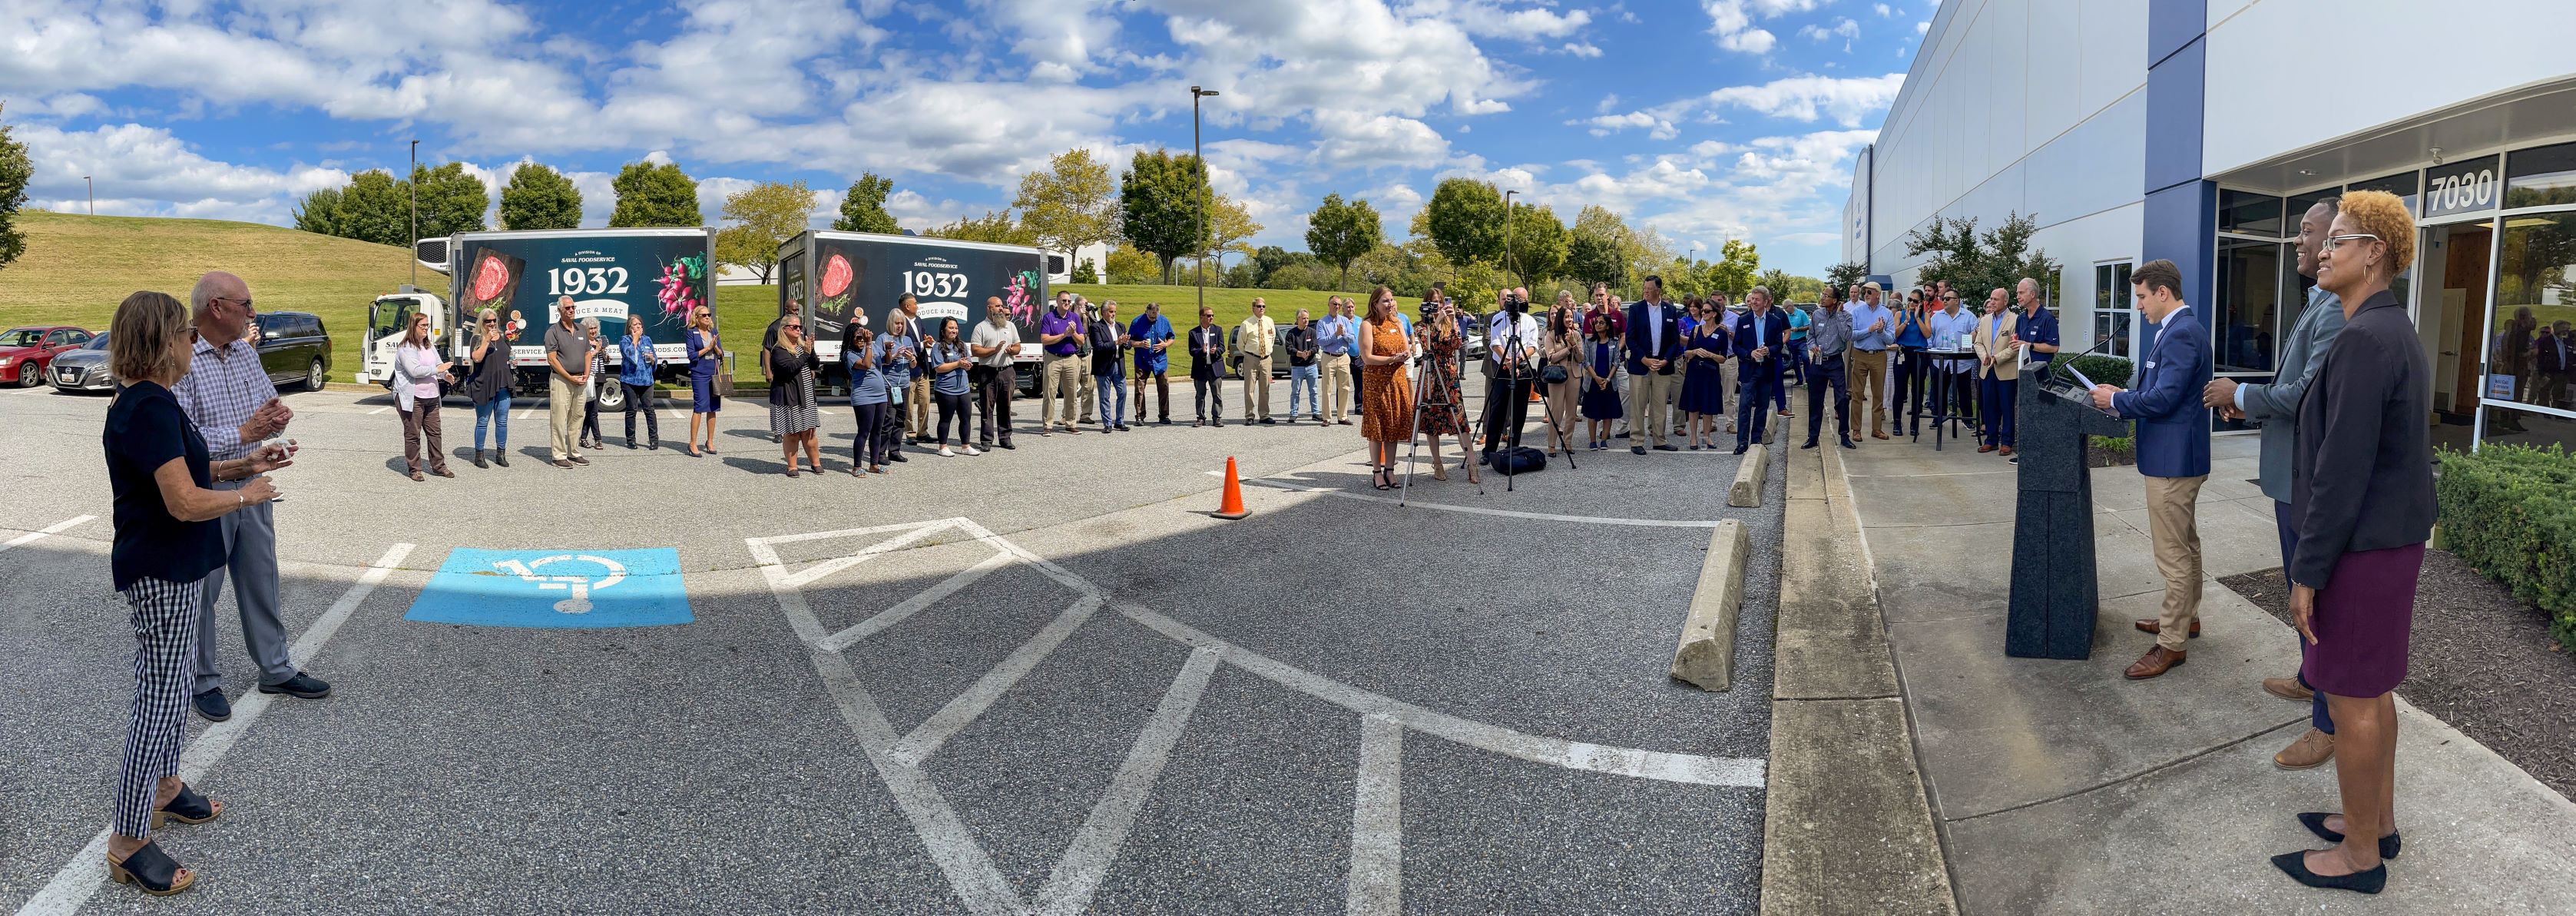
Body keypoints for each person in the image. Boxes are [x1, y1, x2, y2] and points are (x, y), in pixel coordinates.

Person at [2267, 189, 2433, 895]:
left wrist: (2307, 570)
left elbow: (2342, 467)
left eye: (2339, 239)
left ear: (2376, 254)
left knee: (2352, 699)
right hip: (2383, 543)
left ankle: (2362, 856)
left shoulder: (2366, 338)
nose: (2325, 250)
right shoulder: (2385, 330)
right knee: (2373, 691)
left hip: (2361, 549)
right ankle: (2377, 822)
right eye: (2326, 238)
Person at [101, 290, 292, 898]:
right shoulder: (149, 407)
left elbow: (190, 470)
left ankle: (164, 788)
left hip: (174, 566)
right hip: (162, 570)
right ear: (163, 342)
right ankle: (128, 840)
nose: (192, 342)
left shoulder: (153, 402)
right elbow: (183, 502)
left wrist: (243, 465)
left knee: (175, 684)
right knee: (157, 700)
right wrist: (247, 496)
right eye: (183, 334)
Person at [2196, 197, 2349, 770]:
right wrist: (2252, 405)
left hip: (2304, 483)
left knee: (2314, 601)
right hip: (2290, 479)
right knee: (2300, 593)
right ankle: (2313, 680)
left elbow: (2305, 395)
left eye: (2308, 232)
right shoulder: (2316, 304)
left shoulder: (2333, 309)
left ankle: (2327, 724)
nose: (2297, 241)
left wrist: (2238, 395)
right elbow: (2290, 391)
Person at [171, 271, 326, 723]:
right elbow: (184, 437)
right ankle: (202, 681)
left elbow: (266, 407)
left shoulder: (243, 351)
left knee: (262, 577)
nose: (253, 313)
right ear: (216, 307)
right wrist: (244, 433)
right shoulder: (184, 358)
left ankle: (275, 669)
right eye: (246, 304)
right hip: (209, 486)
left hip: (254, 482)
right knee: (204, 590)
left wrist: (277, 421)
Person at [2089, 259, 2212, 680]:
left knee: (2172, 555)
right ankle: (2185, 618)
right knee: (2186, 545)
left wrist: (2117, 402)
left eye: (2140, 297)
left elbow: (2164, 400)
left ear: (2163, 292)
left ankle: (2171, 644)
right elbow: (2163, 392)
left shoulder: (2181, 334)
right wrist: (2124, 392)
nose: (2137, 306)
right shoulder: (2179, 331)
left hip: (2173, 463)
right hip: (2176, 458)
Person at [1358, 287, 1417, 491]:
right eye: (1385, 301)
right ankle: (1377, 472)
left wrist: (1404, 355)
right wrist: (1392, 358)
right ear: (1375, 303)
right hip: (1376, 382)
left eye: (1391, 300)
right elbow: (1367, 358)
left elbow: (1409, 348)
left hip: (1397, 378)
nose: (1390, 304)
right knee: (1378, 428)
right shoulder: (1368, 325)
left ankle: (1390, 470)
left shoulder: (1398, 322)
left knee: (1393, 426)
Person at [389, 311, 455, 481]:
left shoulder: (429, 345)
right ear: (414, 326)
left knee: (435, 433)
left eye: (427, 325)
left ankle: (439, 466)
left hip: (431, 396)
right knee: (413, 434)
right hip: (413, 398)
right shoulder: (406, 348)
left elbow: (439, 364)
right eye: (423, 325)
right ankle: (415, 469)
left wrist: (444, 375)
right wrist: (437, 370)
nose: (426, 328)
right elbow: (415, 371)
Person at [1418, 299, 1477, 481]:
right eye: (1434, 303)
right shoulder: (1421, 326)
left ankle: (1472, 463)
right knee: (1431, 422)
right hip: (1431, 375)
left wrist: (1451, 320)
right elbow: (1428, 345)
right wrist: (1436, 322)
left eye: (1440, 302)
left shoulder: (1451, 322)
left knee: (1460, 421)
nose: (1438, 307)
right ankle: (1437, 464)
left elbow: (1457, 343)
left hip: (1449, 374)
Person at [1623, 276, 1683, 454]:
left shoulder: (1670, 310)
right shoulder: (1636, 309)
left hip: (1663, 364)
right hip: (1641, 364)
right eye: (1644, 288)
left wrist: (1666, 359)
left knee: (1660, 406)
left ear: (1658, 290)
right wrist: (1644, 359)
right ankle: (1636, 441)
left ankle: (1659, 439)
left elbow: (1675, 340)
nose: (1646, 291)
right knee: (1638, 405)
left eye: (1649, 288)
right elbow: (1631, 338)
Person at [1482, 288, 1541, 456]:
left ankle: (1513, 449)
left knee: (1519, 410)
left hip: (1522, 368)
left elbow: (1532, 346)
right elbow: (1495, 343)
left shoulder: (1530, 321)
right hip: (1502, 367)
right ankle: (1489, 451)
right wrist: (1508, 361)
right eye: (1516, 299)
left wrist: (1518, 360)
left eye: (1523, 300)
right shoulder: (1497, 319)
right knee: (1498, 408)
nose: (1519, 303)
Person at [1731, 287, 1792, 455]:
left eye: (1757, 299)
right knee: (1744, 406)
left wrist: (1769, 350)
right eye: (1752, 299)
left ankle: (1756, 440)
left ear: (1765, 302)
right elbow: (1736, 345)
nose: (1754, 302)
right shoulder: (1743, 320)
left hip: (1766, 369)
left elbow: (1779, 344)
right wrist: (1749, 353)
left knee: (1762, 406)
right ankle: (1742, 442)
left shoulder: (1775, 321)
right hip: (1749, 369)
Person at [766, 315, 823, 476]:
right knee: (792, 433)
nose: (799, 329)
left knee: (809, 431)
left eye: (800, 327)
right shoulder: (779, 350)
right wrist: (805, 354)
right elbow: (790, 367)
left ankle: (815, 463)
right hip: (788, 397)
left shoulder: (802, 346)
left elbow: (815, 364)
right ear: (784, 329)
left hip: (806, 395)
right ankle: (792, 466)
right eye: (794, 327)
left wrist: (810, 351)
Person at [1801, 287, 1857, 450]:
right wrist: (1812, 346)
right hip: (1818, 362)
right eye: (1823, 295)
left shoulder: (1846, 316)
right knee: (1815, 401)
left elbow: (1846, 337)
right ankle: (1813, 437)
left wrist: (1839, 315)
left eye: (1826, 296)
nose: (1822, 298)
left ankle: (1844, 436)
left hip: (1835, 362)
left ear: (1835, 300)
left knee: (1842, 399)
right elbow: (1811, 336)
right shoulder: (1817, 315)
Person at [542, 297, 591, 468]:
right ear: (560, 311)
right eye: (567, 308)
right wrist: (570, 377)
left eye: (573, 307)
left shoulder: (582, 330)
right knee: (559, 418)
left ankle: (574, 452)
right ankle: (558, 456)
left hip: (580, 379)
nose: (571, 310)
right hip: (562, 380)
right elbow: (552, 360)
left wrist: (586, 374)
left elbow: (587, 354)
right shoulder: (553, 332)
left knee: (577, 417)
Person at [1972, 287, 2021, 456]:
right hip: (1987, 369)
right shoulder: (1985, 320)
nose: (1992, 302)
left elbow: (2015, 347)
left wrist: (1997, 357)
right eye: (1991, 299)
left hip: (2006, 369)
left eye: (1996, 300)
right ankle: (1991, 440)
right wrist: (1985, 355)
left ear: (2005, 302)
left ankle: (2007, 442)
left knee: (2006, 407)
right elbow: (1978, 343)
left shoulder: (2014, 320)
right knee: (1989, 406)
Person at [1678, 300, 1732, 450]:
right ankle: (1693, 438)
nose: (1704, 313)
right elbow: (1687, 353)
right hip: (1694, 371)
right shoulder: (1696, 330)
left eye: (1707, 311)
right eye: (1703, 311)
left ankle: (1706, 438)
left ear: (1714, 314)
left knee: (1709, 406)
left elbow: (1723, 358)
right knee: (1693, 406)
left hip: (1711, 372)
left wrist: (1710, 355)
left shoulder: (1721, 333)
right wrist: (1695, 351)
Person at [1923, 290, 1980, 432]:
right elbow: (1930, 334)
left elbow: (1977, 333)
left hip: (1962, 361)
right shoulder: (1937, 317)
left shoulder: (1969, 317)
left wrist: (1973, 337)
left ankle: (1967, 419)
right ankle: (1938, 417)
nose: (1945, 301)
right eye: (1943, 298)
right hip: (1940, 360)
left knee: (1964, 390)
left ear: (1957, 300)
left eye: (1948, 298)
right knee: (1938, 390)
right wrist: (1931, 349)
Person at [1846, 282, 1896, 440]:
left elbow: (1891, 339)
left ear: (1878, 294)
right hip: (1860, 354)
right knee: (1857, 393)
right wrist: (1869, 330)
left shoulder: (1887, 314)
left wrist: (1881, 331)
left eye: (1869, 292)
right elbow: (1851, 335)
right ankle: (1856, 429)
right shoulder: (1857, 312)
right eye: (1864, 292)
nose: (1865, 294)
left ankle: (1877, 429)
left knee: (1878, 394)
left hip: (1879, 355)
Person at [466, 307, 514, 469]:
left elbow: (509, 355)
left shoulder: (503, 337)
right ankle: (479, 455)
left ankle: (501, 454)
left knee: (502, 421)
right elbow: (477, 358)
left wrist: (513, 361)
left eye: (494, 320)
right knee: (483, 421)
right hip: (484, 385)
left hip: (503, 384)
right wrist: (487, 339)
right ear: (482, 322)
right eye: (488, 321)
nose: (492, 323)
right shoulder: (477, 338)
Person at [970, 298, 1020, 450]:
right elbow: (975, 350)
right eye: (997, 306)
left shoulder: (1010, 326)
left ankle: (1005, 438)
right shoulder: (981, 327)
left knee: (1005, 406)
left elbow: (1018, 346)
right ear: (989, 308)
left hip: (1007, 371)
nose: (1001, 309)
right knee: (987, 408)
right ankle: (986, 440)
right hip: (988, 371)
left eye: (1002, 306)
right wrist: (994, 350)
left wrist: (1012, 350)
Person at [1539, 294, 1584, 455]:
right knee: (1556, 411)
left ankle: (1568, 443)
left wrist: (1574, 344)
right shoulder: (1551, 335)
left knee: (1571, 412)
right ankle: (1552, 445)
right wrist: (1568, 349)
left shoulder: (1577, 335)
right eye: (1566, 317)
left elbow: (1581, 358)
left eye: (1571, 317)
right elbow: (1551, 357)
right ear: (1560, 318)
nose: (1570, 319)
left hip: (1574, 374)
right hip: (1557, 375)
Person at [927, 318, 978, 455]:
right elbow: (939, 368)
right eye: (951, 328)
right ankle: (943, 447)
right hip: (945, 390)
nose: (954, 330)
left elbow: (968, 362)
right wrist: (958, 364)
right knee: (945, 419)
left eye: (956, 328)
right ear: (943, 330)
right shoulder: (938, 347)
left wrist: (968, 365)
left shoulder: (961, 345)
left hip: (963, 389)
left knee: (966, 418)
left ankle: (966, 446)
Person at [845, 324, 889, 475]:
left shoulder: (872, 347)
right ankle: (857, 466)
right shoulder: (850, 354)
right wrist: (869, 344)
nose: (862, 340)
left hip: (881, 394)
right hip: (863, 396)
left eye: (863, 337)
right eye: (858, 337)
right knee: (864, 431)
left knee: (877, 431)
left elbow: (886, 362)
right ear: (851, 339)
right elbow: (866, 364)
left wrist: (888, 349)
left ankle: (874, 464)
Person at [886, 294, 932, 444]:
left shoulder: (918, 320)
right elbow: (904, 345)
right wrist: (921, 345)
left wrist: (927, 342)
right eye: (915, 303)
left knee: (925, 400)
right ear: (907, 306)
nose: (917, 306)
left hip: (922, 367)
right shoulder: (900, 323)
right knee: (909, 404)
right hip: (908, 370)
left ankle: (922, 431)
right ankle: (909, 432)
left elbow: (921, 341)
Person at [876, 308, 919, 463]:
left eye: (902, 323)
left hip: (903, 385)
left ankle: (895, 450)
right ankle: (881, 453)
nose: (899, 326)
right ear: (890, 323)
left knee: (901, 418)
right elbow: (878, 362)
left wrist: (911, 358)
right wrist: (893, 355)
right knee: (888, 419)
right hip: (888, 384)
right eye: (897, 323)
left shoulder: (907, 340)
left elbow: (914, 365)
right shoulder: (882, 339)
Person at [1038, 293, 1084, 433]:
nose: (1066, 303)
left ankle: (1071, 423)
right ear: (1057, 302)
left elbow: (1081, 340)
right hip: (1053, 358)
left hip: (1071, 358)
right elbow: (1045, 340)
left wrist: (1073, 333)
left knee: (1071, 393)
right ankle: (1048, 425)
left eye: (1068, 301)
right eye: (1064, 300)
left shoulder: (1074, 317)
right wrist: (1064, 335)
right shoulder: (1049, 318)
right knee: (1050, 392)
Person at [1579, 311, 1624, 450]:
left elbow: (1616, 362)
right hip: (1593, 382)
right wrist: (1596, 378)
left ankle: (1604, 440)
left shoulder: (1614, 342)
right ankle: (1593, 441)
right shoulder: (1590, 341)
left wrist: (1608, 379)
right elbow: (1586, 362)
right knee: (1592, 413)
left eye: (1601, 323)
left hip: (1609, 382)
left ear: (1607, 326)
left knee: (1607, 413)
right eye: (1596, 323)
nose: (1598, 325)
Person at [615, 316, 660, 450]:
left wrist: (653, 360)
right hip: (629, 380)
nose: (639, 326)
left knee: (649, 410)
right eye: (635, 324)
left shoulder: (647, 340)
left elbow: (655, 358)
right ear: (630, 327)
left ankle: (654, 440)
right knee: (631, 410)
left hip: (647, 380)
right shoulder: (625, 340)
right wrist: (635, 340)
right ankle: (631, 440)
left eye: (640, 324)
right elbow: (628, 354)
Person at [1088, 300, 1131, 433]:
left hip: (1119, 364)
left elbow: (1128, 346)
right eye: (1111, 311)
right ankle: (1107, 423)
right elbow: (1099, 346)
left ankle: (1120, 421)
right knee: (1105, 396)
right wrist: (1116, 342)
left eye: (1115, 311)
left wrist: (1125, 342)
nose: (1113, 314)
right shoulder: (1096, 327)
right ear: (1103, 313)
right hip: (1104, 366)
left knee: (1123, 393)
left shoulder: (1120, 326)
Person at [1129, 300, 1174, 424]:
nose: (1153, 319)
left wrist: (1165, 344)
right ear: (1146, 312)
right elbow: (1129, 341)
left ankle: (1164, 415)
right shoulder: (1137, 322)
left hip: (1160, 360)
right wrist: (1139, 344)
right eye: (1151, 317)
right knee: (1140, 389)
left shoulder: (1164, 321)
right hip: (1142, 360)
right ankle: (1140, 416)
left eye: (1156, 316)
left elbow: (1172, 337)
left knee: (1164, 387)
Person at [685, 304, 721, 456]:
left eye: (709, 315)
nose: (707, 317)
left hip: (713, 372)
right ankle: (693, 443)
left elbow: (721, 353)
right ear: (697, 318)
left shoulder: (714, 332)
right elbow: (692, 355)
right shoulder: (691, 333)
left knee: (713, 408)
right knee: (699, 407)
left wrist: (716, 348)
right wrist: (708, 348)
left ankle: (710, 441)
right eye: (704, 315)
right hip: (699, 373)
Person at [1893, 289, 1929, 436]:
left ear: (1921, 303)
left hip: (1919, 354)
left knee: (1918, 389)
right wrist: (1907, 321)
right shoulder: (1899, 315)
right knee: (1900, 389)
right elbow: (1895, 334)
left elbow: (1927, 334)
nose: (1912, 303)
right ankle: (1897, 421)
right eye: (1910, 300)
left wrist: (1917, 318)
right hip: (1903, 352)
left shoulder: (1925, 315)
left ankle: (1915, 422)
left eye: (1915, 301)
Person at [1317, 297, 1359, 425]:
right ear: (1329, 304)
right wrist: (1335, 334)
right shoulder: (1322, 322)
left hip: (1343, 357)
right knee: (1327, 389)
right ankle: (1327, 418)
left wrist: (1343, 334)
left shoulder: (1345, 321)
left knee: (1345, 388)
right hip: (1329, 357)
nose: (1337, 307)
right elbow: (1321, 341)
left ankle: (1342, 417)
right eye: (1335, 304)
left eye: (1340, 305)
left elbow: (1352, 338)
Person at [1236, 298, 1278, 423]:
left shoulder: (1269, 321)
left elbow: (1273, 338)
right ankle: (1249, 415)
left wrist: (1266, 352)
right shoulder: (1246, 324)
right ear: (1253, 308)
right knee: (1249, 388)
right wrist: (1249, 355)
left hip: (1266, 359)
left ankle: (1264, 415)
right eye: (1259, 306)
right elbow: (1240, 343)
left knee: (1265, 388)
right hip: (1251, 359)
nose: (1262, 308)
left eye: (1264, 306)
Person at [1189, 307, 1227, 426]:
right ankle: (1201, 417)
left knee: (1217, 394)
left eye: (1212, 315)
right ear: (1201, 317)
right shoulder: (1193, 333)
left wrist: (1215, 351)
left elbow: (1222, 347)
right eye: (1209, 315)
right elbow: (1192, 350)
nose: (1211, 318)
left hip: (1215, 366)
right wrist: (1202, 350)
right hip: (1200, 368)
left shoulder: (1218, 330)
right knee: (1200, 395)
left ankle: (1217, 417)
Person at [1284, 308, 1321, 423]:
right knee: (1295, 391)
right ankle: (1294, 413)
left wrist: (1309, 353)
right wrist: (1299, 354)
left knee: (1314, 390)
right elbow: (1289, 348)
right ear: (1298, 319)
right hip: (1297, 367)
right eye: (1304, 318)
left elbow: (1316, 346)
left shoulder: (1312, 332)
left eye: (1307, 318)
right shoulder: (1291, 333)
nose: (1306, 320)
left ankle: (1316, 412)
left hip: (1311, 365)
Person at [578, 319, 608, 451]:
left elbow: (604, 361)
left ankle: (583, 438)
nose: (594, 331)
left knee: (591, 411)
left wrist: (605, 354)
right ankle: (598, 440)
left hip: (600, 378)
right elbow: (584, 359)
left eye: (595, 328)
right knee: (593, 411)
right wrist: (596, 351)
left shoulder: (599, 342)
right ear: (585, 330)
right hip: (589, 378)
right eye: (591, 329)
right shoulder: (583, 343)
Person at [1783, 297, 1811, 389]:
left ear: (1790, 306)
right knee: (1795, 362)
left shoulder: (1801, 313)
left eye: (1786, 308)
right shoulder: (1787, 316)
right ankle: (1800, 380)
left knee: (1806, 358)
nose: (1786, 310)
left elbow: (1808, 326)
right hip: (1791, 342)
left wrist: (1798, 329)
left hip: (1801, 340)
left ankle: (1808, 379)